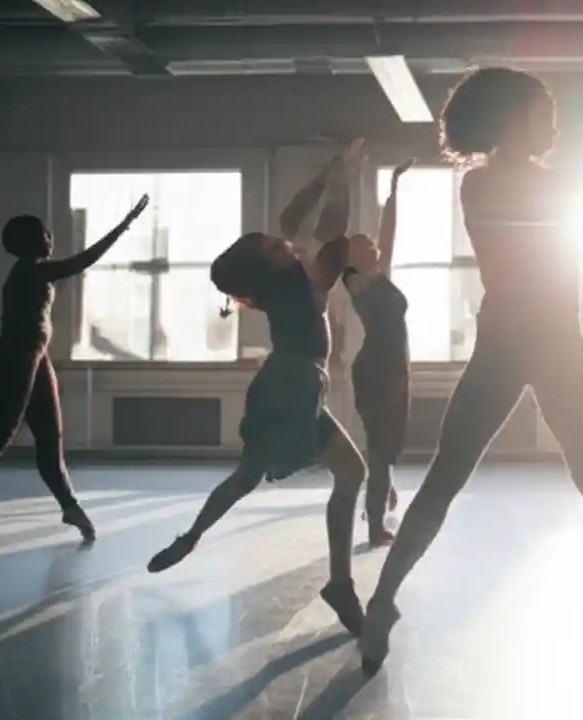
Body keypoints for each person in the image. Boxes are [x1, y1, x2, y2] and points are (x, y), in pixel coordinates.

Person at [358, 67, 583, 674]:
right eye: (543, 112)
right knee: (449, 479)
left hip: (551, 348)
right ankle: (382, 602)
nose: (554, 125)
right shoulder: (483, 185)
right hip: (511, 348)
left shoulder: (537, 183)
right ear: (510, 120)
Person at [146, 145, 369, 636]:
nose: (279, 239)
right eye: (272, 243)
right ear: (272, 261)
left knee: (291, 474)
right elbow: (333, 230)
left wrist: (327, 170)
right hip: (293, 386)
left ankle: (196, 536)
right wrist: (345, 175)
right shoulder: (299, 281)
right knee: (337, 472)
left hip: (292, 384)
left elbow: (293, 216)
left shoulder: (279, 279)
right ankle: (337, 580)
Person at [0, 196, 149, 553]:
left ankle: (70, 508)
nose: (51, 236)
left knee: (50, 442)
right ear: (28, 242)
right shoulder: (31, 270)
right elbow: (82, 261)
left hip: (34, 361)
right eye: (44, 233)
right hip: (15, 362)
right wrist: (124, 224)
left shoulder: (34, 271)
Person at [343, 158, 415, 546]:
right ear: (350, 258)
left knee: (388, 445)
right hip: (376, 373)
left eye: (371, 243)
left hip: (396, 369)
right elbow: (345, 243)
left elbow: (389, 233)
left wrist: (393, 188)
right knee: (380, 450)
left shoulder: (378, 273)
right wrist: (345, 178)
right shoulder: (355, 281)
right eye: (364, 245)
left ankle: (382, 492)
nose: (373, 244)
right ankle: (374, 524)